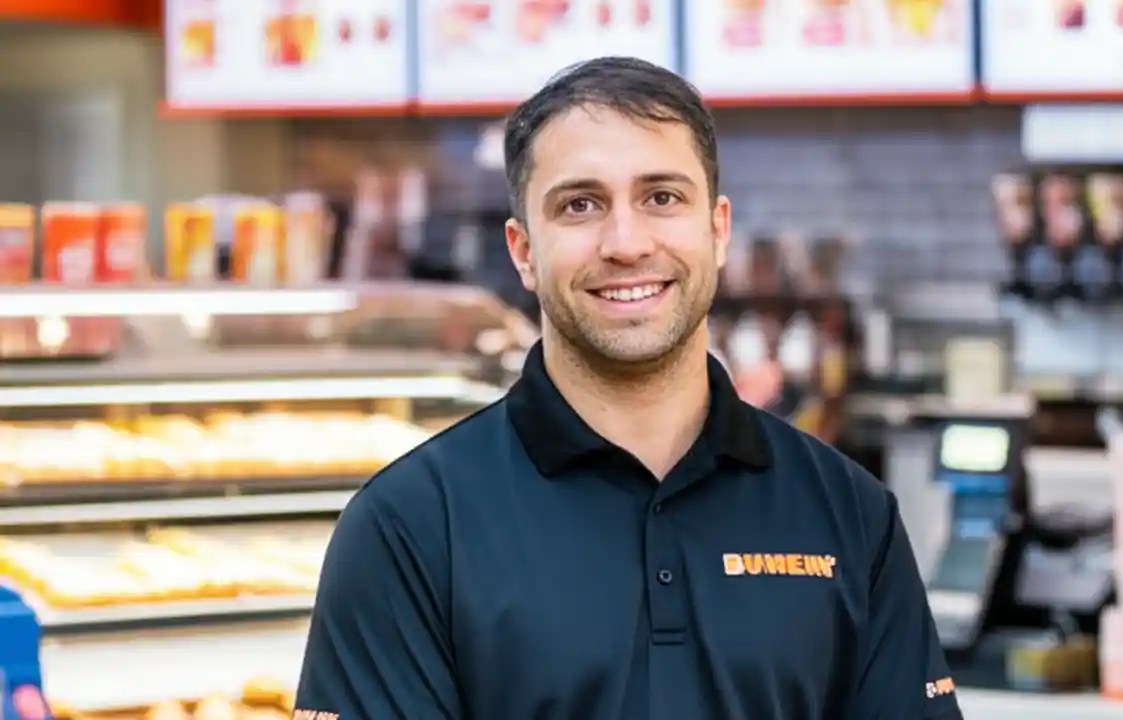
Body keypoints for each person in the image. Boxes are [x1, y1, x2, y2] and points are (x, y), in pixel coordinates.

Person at [294, 56, 963, 720]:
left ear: (718, 230)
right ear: (523, 251)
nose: (625, 243)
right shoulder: (408, 527)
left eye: (661, 198)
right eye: (580, 205)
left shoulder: (850, 514)